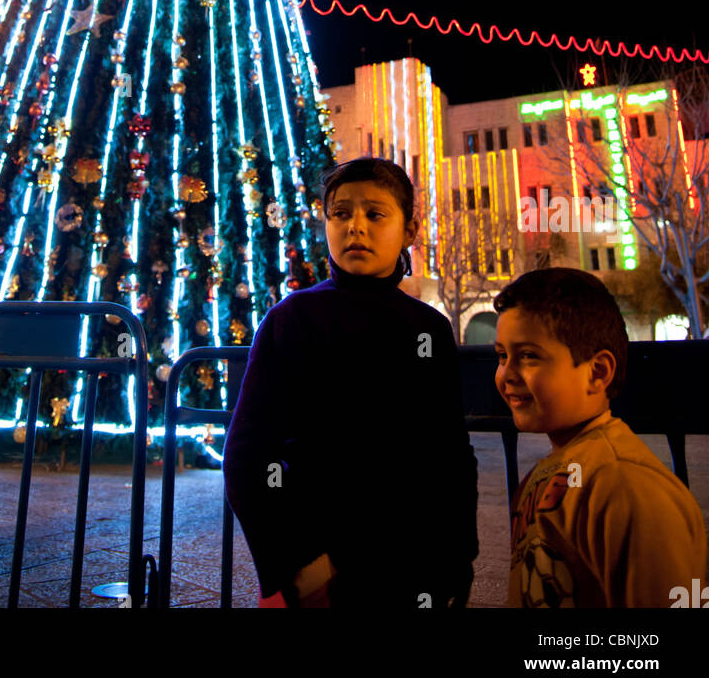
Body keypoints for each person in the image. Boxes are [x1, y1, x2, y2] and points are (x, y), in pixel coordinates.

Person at [222, 157, 478, 608]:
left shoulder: (429, 329)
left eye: (375, 214)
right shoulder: (291, 320)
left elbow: (450, 454)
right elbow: (248, 452)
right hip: (322, 572)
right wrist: (296, 565)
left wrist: (457, 561)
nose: (355, 227)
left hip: (411, 568)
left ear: (410, 231)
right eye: (340, 213)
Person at [494, 268, 707, 608]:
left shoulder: (627, 487)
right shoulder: (545, 474)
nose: (507, 374)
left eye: (529, 356)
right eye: (502, 356)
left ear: (598, 372)